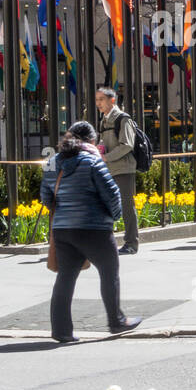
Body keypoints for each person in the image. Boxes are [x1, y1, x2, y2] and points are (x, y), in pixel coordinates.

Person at [40, 122, 141, 342]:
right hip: (94, 228)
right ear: (92, 141)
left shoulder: (52, 162)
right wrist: (112, 218)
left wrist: (64, 213)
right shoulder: (93, 160)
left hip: (63, 230)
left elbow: (46, 197)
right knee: (109, 271)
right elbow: (112, 194)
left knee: (65, 277)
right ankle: (116, 321)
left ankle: (61, 331)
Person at [94, 87, 139, 255]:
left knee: (126, 206)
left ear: (112, 101)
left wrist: (108, 157)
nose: (98, 103)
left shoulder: (122, 119)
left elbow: (127, 144)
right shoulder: (104, 120)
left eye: (102, 99)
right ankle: (107, 242)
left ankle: (131, 243)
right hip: (109, 169)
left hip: (123, 169)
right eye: (97, 100)